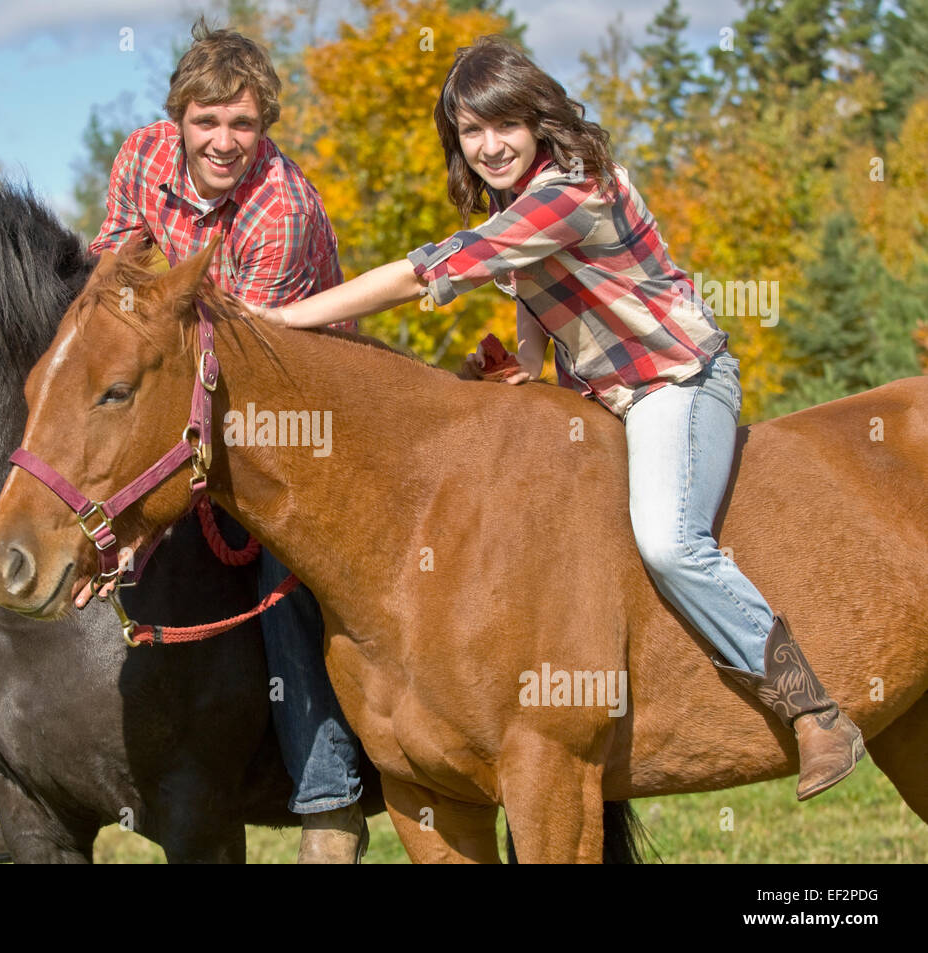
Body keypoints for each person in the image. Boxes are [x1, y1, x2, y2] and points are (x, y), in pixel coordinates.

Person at [250, 35, 865, 802]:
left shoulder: (570, 193)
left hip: (676, 383)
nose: (488, 146)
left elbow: (427, 272)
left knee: (669, 542)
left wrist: (285, 320)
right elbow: (537, 306)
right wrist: (522, 369)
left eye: (504, 124)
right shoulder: (520, 206)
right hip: (603, 398)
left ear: (538, 119)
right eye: (470, 132)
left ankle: (813, 708)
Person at [83, 18, 367, 862]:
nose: (224, 141)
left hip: (296, 407)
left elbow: (235, 353)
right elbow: (113, 273)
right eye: (207, 121)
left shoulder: (282, 206)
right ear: (179, 117)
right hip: (182, 388)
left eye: (243, 124)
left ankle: (329, 792)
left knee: (290, 585)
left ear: (264, 127)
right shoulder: (140, 157)